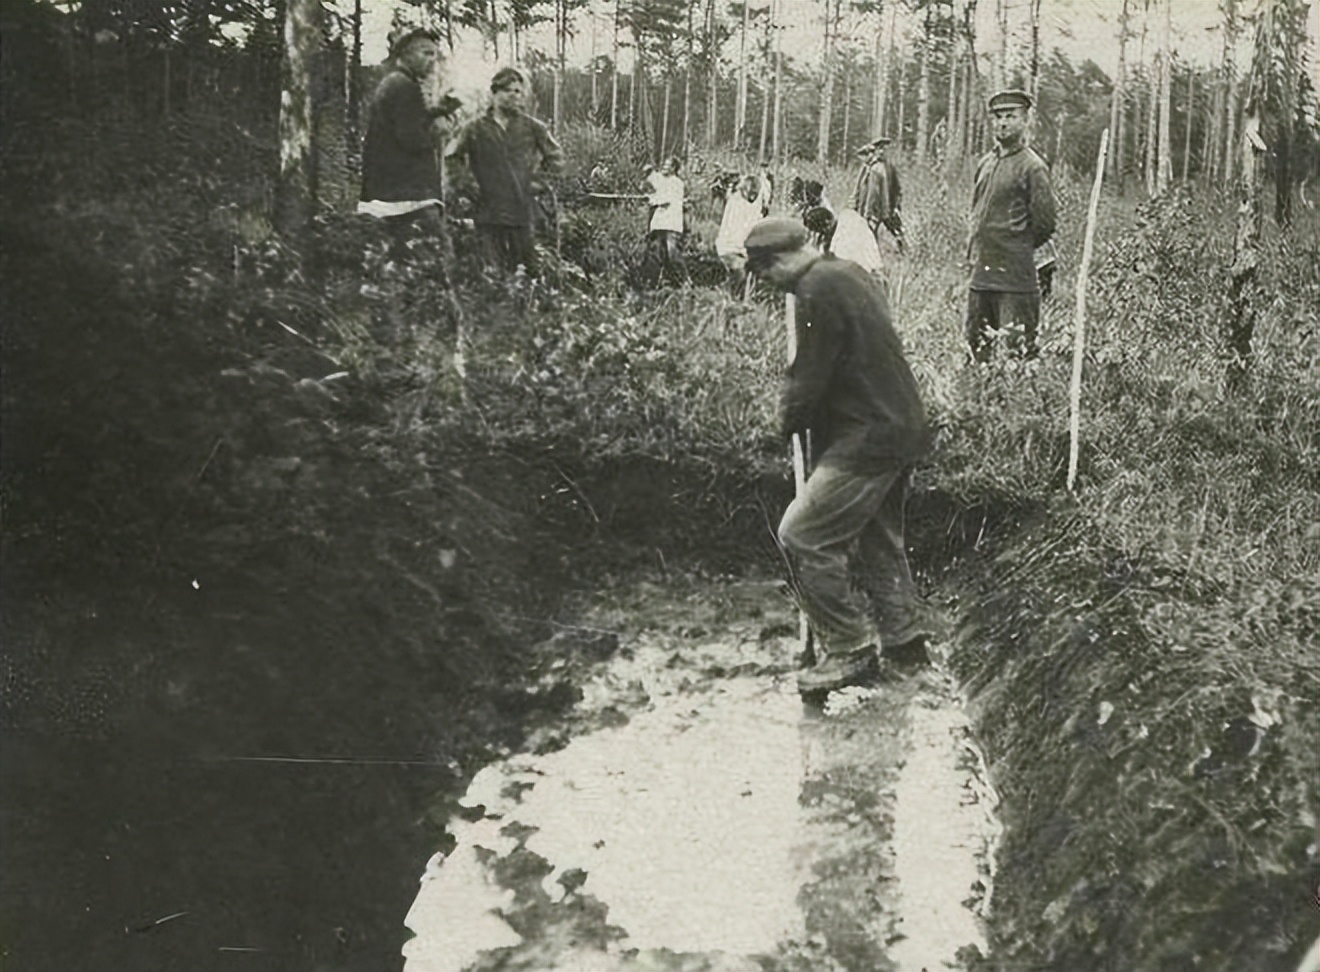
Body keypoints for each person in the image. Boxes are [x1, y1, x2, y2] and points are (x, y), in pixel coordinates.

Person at [744, 217, 933, 696]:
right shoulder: (848, 271)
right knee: (877, 537)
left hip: (868, 435)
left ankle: (848, 648)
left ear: (782, 260)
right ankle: (905, 644)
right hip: (899, 422)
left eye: (765, 274)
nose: (767, 284)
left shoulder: (817, 290)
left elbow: (809, 377)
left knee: (802, 533)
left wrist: (784, 422)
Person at [965, 89, 1058, 361]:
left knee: (1015, 352)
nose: (1003, 122)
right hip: (981, 275)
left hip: (1014, 279)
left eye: (1011, 116)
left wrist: (1014, 246)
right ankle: (980, 401)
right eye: (998, 117)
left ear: (1025, 120)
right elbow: (976, 213)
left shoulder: (1033, 167)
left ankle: (1015, 403)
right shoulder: (986, 163)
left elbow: (1045, 223)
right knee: (976, 346)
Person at [448, 67, 564, 272]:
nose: (515, 97)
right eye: (509, 91)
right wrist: (467, 187)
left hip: (522, 211)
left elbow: (556, 157)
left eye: (519, 92)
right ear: (494, 94)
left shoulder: (533, 127)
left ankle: (528, 303)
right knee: (493, 271)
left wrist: (537, 183)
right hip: (487, 211)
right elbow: (452, 158)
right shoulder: (474, 128)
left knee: (528, 270)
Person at [358, 28, 458, 237]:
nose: (432, 60)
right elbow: (412, 139)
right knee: (431, 251)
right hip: (405, 197)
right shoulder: (402, 86)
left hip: (389, 191)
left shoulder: (396, 83)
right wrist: (439, 131)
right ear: (405, 54)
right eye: (426, 53)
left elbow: (407, 124)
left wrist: (436, 112)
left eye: (435, 55)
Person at [714, 172, 770, 295]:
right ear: (744, 190)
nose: (752, 197)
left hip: (742, 249)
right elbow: (736, 233)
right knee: (741, 272)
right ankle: (728, 296)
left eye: (755, 194)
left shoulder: (753, 207)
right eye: (751, 193)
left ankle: (745, 297)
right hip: (730, 247)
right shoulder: (736, 204)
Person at [851, 136, 904, 254]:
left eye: (884, 149)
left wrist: (896, 206)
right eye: (878, 149)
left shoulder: (890, 168)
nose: (881, 152)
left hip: (888, 206)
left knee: (897, 231)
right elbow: (862, 189)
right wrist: (858, 205)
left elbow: (897, 188)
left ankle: (903, 252)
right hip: (873, 208)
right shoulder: (868, 168)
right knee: (869, 232)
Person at [803, 206, 884, 277]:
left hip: (865, 278)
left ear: (826, 225)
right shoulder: (850, 217)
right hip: (876, 271)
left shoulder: (842, 247)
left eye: (820, 231)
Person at [644, 156, 685, 276]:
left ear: (673, 168)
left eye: (667, 165)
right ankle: (668, 278)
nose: (664, 167)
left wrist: (653, 201)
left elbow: (667, 199)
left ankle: (686, 280)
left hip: (672, 223)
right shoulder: (663, 181)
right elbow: (653, 183)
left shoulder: (677, 183)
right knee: (661, 253)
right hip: (660, 222)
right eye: (664, 164)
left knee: (672, 252)